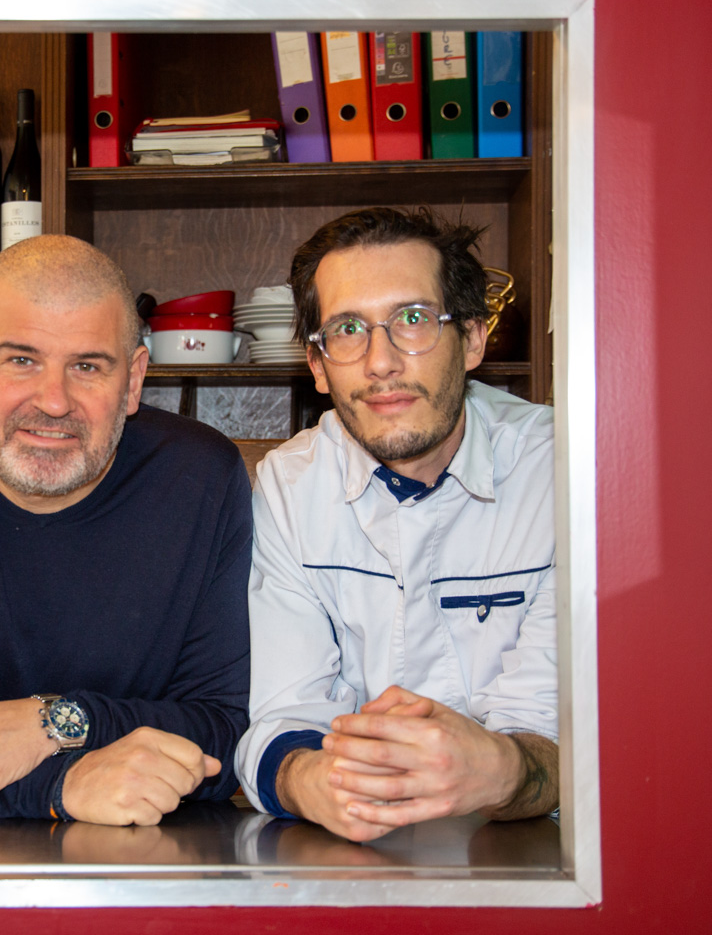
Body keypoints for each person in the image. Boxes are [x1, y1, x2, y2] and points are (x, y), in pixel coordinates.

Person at [0, 234, 252, 826]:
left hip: (144, 870)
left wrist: (55, 722)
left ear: (134, 380)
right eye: (21, 360)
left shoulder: (200, 477)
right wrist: (59, 786)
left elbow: (228, 735)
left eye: (87, 366)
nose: (54, 401)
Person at [235, 206, 558, 843]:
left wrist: (503, 772)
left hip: (525, 851)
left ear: (472, 339)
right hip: (350, 859)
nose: (380, 361)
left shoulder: (564, 472)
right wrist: (309, 780)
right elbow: (281, 714)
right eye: (349, 329)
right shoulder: (290, 486)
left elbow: (568, 741)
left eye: (412, 319)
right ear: (319, 365)